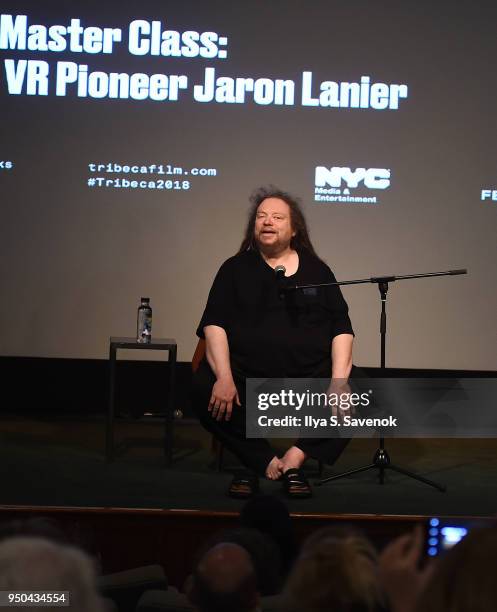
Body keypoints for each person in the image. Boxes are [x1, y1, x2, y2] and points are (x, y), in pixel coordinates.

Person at [192, 186, 354, 498]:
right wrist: (224, 377)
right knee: (202, 389)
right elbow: (214, 325)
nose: (267, 221)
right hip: (246, 379)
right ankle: (262, 459)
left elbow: (341, 327)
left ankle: (296, 456)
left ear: (294, 229)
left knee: (363, 392)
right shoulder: (234, 269)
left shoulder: (318, 270)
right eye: (261, 216)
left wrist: (338, 381)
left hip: (307, 380)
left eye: (277, 217)